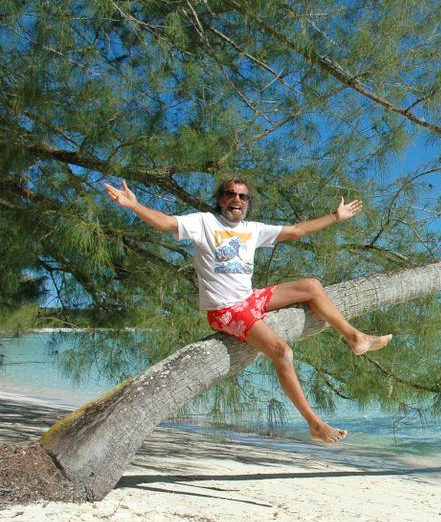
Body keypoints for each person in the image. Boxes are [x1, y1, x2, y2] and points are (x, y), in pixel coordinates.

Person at [103, 177, 391, 443]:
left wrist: (335, 217)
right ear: (220, 199)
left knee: (312, 286)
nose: (237, 199)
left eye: (242, 196)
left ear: (248, 202)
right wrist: (134, 206)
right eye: (230, 194)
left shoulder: (252, 230)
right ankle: (314, 423)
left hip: (250, 299)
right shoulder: (204, 223)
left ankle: (355, 338)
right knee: (282, 352)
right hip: (226, 310)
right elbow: (166, 223)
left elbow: (296, 231)